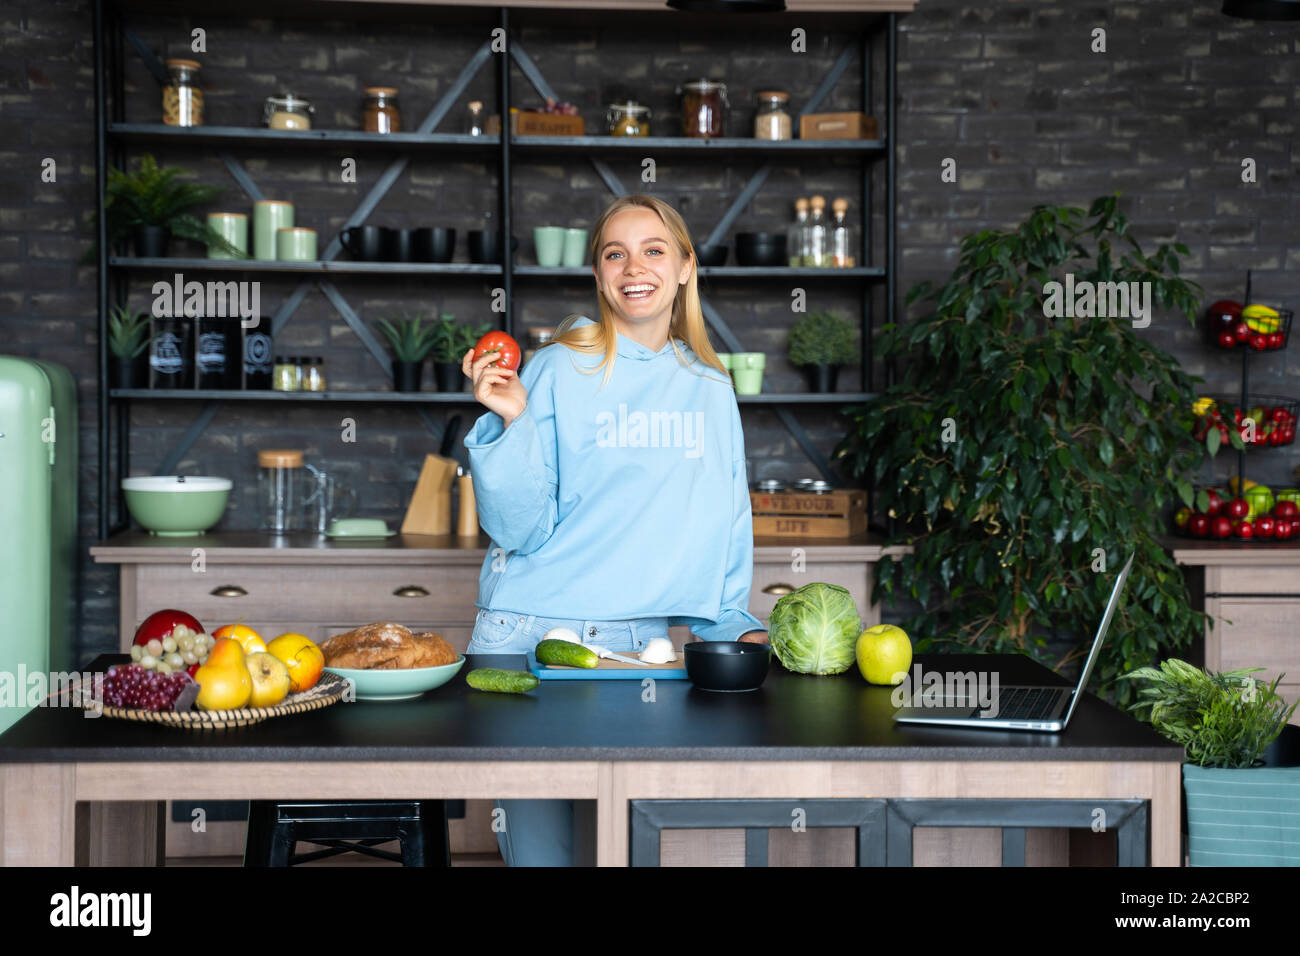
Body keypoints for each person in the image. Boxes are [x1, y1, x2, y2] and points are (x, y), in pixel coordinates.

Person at [461, 193, 769, 866]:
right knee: (543, 859)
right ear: (599, 276)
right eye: (615, 253)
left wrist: (730, 625)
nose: (636, 267)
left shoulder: (711, 389)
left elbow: (724, 519)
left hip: (643, 653)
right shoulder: (554, 368)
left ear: (685, 267)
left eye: (655, 250)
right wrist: (512, 421)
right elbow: (517, 528)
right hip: (531, 638)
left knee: (623, 854)